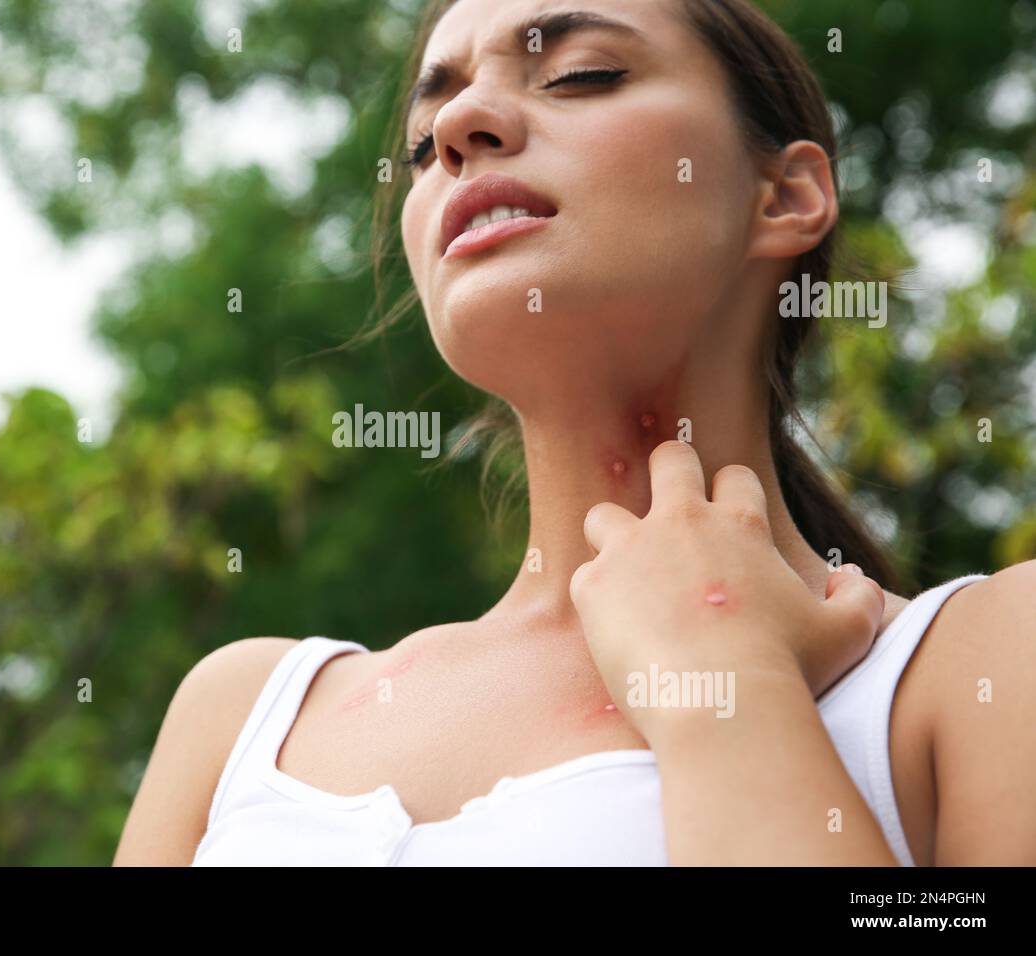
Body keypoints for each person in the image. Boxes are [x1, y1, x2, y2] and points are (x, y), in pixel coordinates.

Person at [114, 0, 1036, 866]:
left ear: (784, 195)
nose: (459, 127)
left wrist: (726, 684)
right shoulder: (242, 715)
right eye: (420, 144)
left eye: (580, 74)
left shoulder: (986, 658)